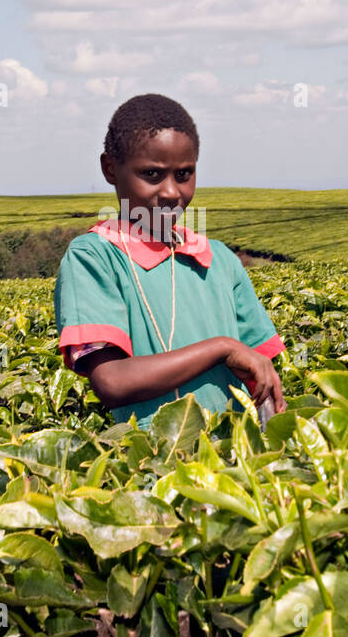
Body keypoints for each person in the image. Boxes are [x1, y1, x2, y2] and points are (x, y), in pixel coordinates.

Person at [53, 93, 287, 431]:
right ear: (109, 169)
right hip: (155, 470)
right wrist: (221, 348)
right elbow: (112, 382)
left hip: (237, 470)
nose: (171, 192)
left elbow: (262, 377)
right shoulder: (95, 258)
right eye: (151, 174)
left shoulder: (219, 260)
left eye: (184, 174)